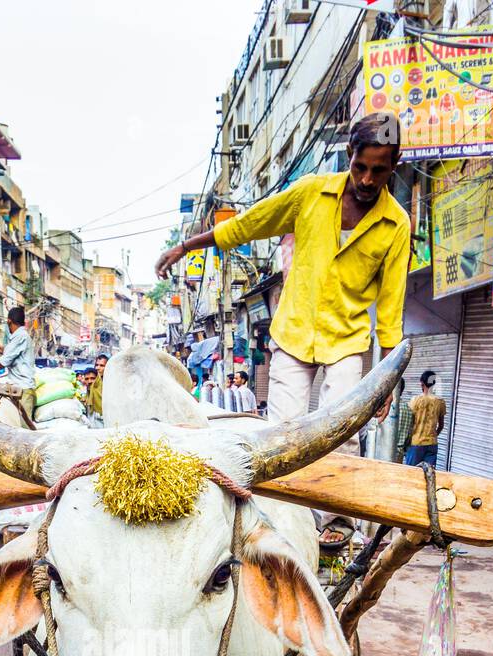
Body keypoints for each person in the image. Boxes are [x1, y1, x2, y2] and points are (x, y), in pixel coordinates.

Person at [157, 113, 410, 546]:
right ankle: (273, 517)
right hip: (293, 333)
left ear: (393, 166)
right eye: (361, 167)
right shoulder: (311, 193)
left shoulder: (396, 224)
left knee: (341, 430)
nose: (367, 179)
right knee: (281, 436)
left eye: (379, 170)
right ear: (349, 157)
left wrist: (387, 381)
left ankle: (337, 523)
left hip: (347, 341)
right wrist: (186, 245)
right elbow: (247, 224)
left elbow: (390, 312)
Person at [0, 306, 37, 417]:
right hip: (19, 388)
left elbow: (5, 361)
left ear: (9, 321)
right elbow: (14, 354)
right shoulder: (20, 336)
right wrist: (4, 350)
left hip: (23, 389)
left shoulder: (20, 336)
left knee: (23, 428)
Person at [404, 370, 445, 468]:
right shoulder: (440, 402)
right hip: (432, 444)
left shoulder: (415, 400)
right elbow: (441, 425)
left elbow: (409, 423)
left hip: (416, 443)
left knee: (411, 473)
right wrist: (434, 435)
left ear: (422, 384)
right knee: (428, 474)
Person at [394, 378, 414, 464]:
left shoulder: (385, 409)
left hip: (383, 452)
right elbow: (410, 434)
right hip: (399, 453)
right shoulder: (408, 410)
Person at [86, 353, 108, 421]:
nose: (98, 368)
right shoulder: (94, 382)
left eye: (101, 365)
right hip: (95, 416)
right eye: (96, 365)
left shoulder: (110, 381)